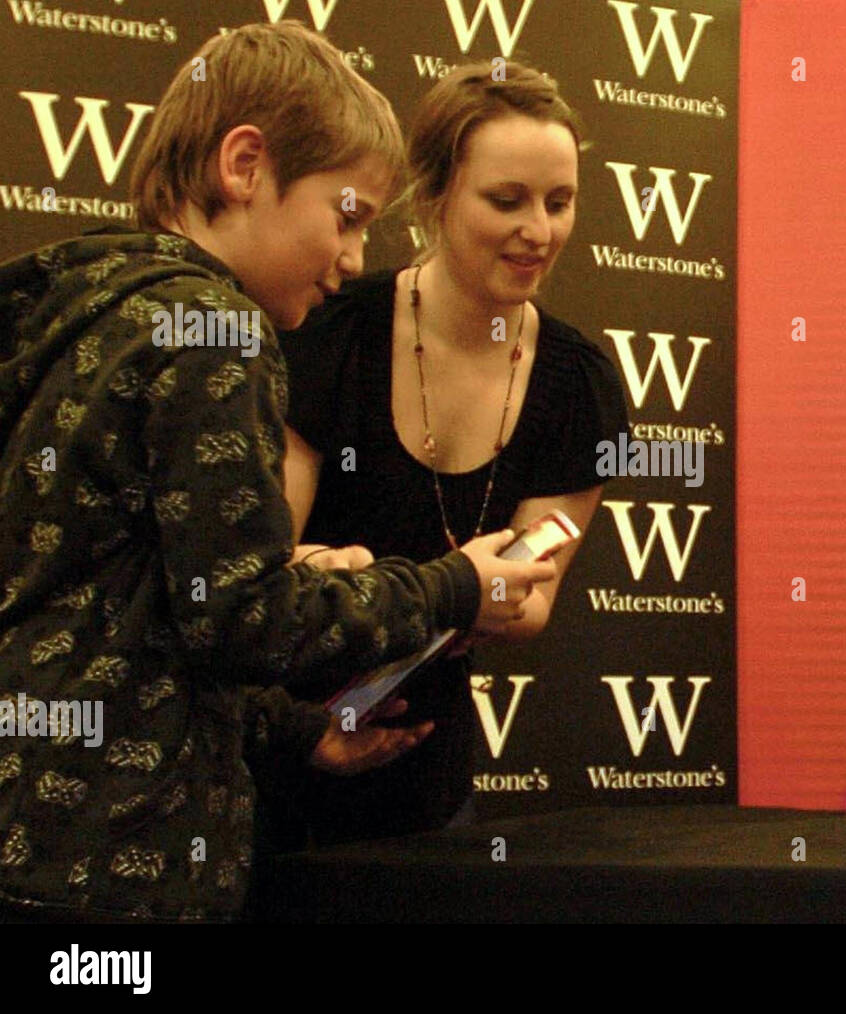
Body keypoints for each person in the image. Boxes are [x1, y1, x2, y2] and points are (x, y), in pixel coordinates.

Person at [0, 22, 553, 923]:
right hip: (127, 877)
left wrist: (300, 732)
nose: (353, 259)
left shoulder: (87, 311)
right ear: (246, 165)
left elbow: (135, 632)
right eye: (348, 215)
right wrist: (458, 585)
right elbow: (246, 622)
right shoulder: (217, 332)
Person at [271, 60, 628, 846]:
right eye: (507, 201)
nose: (539, 230)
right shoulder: (332, 332)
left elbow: (534, 601)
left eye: (559, 202)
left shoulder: (579, 381)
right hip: (278, 756)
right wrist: (445, 588)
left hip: (428, 780)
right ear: (433, 197)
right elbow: (267, 568)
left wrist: (490, 599)